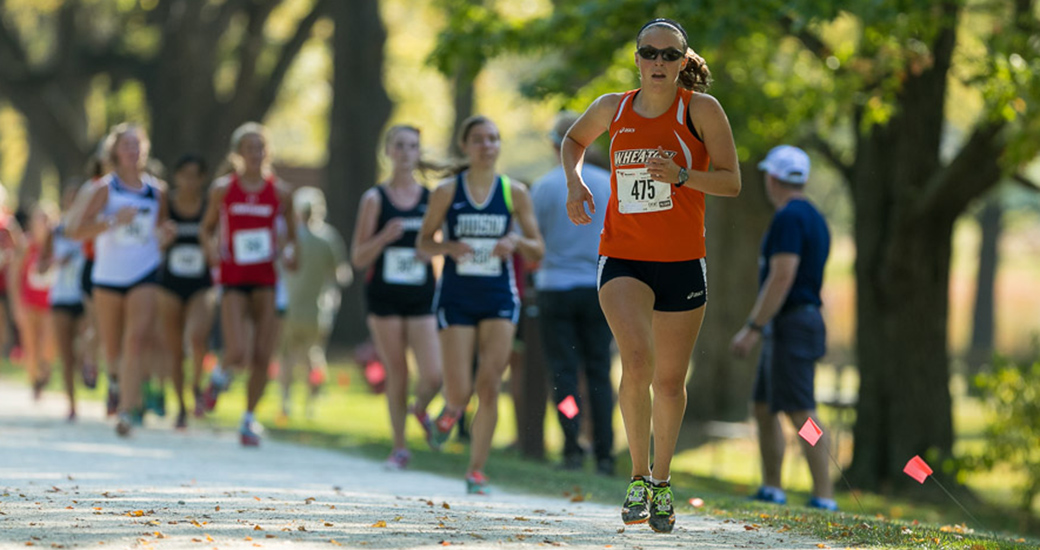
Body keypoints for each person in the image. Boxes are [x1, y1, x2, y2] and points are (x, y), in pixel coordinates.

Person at [563, 18, 741, 533]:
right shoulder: (612, 107)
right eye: (650, 52)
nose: (659, 62)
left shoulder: (700, 110)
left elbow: (731, 183)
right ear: (637, 58)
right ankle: (638, 474)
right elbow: (574, 142)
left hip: (683, 261)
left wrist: (684, 176)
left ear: (684, 62)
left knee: (668, 381)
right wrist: (575, 184)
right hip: (622, 256)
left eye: (669, 55)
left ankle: (663, 481)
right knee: (636, 359)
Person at [417, 115, 544, 494]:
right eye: (479, 139)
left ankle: (476, 470)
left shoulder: (514, 192)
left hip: (499, 297)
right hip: (457, 298)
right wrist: (447, 247)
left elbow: (539, 248)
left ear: (499, 145)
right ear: (465, 146)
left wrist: (516, 243)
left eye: (493, 139)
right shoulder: (446, 191)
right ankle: (450, 411)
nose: (487, 145)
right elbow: (423, 243)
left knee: (489, 386)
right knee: (460, 391)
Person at [730, 145, 835, 511]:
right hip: (788, 323)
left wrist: (753, 326)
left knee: (801, 412)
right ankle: (772, 487)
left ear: (772, 178)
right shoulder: (813, 216)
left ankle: (824, 494)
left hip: (792, 322)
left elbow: (782, 275)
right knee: (763, 405)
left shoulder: (789, 218)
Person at [66, 123, 174, 436]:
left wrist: (165, 236)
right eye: (125, 145)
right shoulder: (104, 189)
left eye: (136, 144)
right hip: (108, 276)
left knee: (136, 340)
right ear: (115, 152)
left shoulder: (158, 191)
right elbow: (75, 231)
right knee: (112, 351)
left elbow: (161, 229)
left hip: (145, 271)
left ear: (145, 149)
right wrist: (114, 220)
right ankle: (115, 380)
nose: (132, 150)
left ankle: (127, 412)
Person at [199, 121, 297, 447]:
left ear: (267, 152)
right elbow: (207, 229)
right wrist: (212, 250)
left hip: (267, 279)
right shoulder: (223, 189)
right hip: (233, 278)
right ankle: (217, 379)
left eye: (261, 148)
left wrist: (290, 253)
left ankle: (248, 419)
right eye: (249, 148)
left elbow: (292, 238)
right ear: (238, 153)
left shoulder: (281, 192)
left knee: (262, 355)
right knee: (237, 350)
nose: (255, 154)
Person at [351, 125, 443, 471]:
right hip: (384, 297)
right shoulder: (375, 199)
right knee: (398, 372)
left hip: (421, 295)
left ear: (418, 153)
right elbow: (358, 257)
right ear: (388, 151)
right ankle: (400, 446)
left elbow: (439, 248)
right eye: (400, 146)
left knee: (433, 375)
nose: (406, 153)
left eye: (413, 146)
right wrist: (384, 238)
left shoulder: (431, 198)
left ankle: (420, 408)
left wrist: (429, 254)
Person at [531, 112, 616, 475]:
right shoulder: (609, 183)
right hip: (600, 289)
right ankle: (605, 452)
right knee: (599, 373)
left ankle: (571, 446)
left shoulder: (544, 187)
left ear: (555, 145)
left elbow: (535, 242)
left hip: (556, 289)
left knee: (564, 374)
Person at [278, 186, 351, 420]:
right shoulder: (328, 238)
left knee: (288, 356)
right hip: (318, 310)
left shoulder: (290, 237)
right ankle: (311, 405)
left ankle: (285, 402)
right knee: (314, 356)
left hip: (290, 307)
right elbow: (342, 274)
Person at [157, 154, 216, 429]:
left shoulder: (209, 206)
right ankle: (180, 406)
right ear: (177, 176)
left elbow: (217, 241)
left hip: (201, 282)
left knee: (196, 336)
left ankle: (196, 385)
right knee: (174, 349)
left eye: (196, 175)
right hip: (170, 282)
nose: (190, 181)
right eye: (185, 174)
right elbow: (154, 240)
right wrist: (164, 240)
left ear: (202, 178)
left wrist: (210, 244)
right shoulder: (166, 205)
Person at [48, 186, 91, 421]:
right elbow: (41, 263)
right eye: (70, 199)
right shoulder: (55, 230)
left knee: (87, 343)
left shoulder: (93, 228)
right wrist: (55, 261)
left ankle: (90, 369)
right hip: (61, 297)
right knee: (66, 354)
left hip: (85, 296)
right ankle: (72, 403)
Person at [10, 203, 57, 401]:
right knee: (30, 344)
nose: (43, 224)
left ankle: (44, 373)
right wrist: (16, 306)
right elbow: (13, 277)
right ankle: (34, 381)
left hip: (50, 303)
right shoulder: (26, 245)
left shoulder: (57, 244)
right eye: (40, 219)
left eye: (46, 219)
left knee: (48, 343)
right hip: (29, 302)